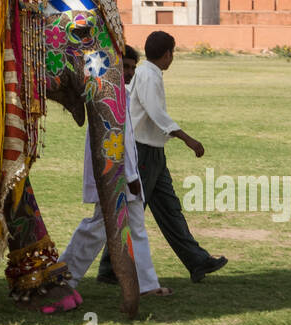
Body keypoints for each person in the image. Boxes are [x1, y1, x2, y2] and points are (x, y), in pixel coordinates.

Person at [98, 30, 228, 284]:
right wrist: (187, 138)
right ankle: (109, 268)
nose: (173, 58)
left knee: (170, 210)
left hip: (153, 152)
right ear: (167, 54)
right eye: (173, 53)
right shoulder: (147, 75)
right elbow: (155, 111)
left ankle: (197, 261)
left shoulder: (148, 73)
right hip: (143, 152)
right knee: (131, 211)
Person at [60, 45, 171, 297]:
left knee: (135, 227)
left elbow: (127, 142)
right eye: (126, 66)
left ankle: (147, 285)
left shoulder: (121, 93)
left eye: (133, 67)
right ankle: (63, 275)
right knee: (98, 227)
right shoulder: (106, 94)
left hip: (124, 175)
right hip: (114, 175)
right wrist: (130, 177)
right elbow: (114, 142)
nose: (130, 72)